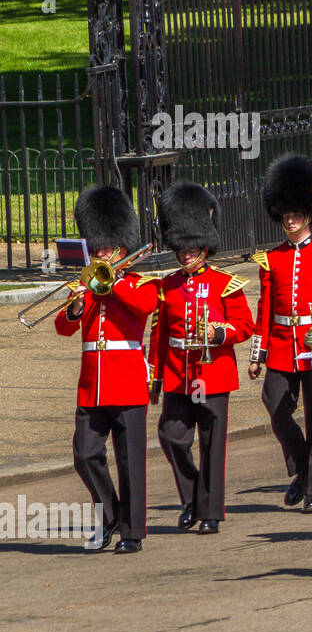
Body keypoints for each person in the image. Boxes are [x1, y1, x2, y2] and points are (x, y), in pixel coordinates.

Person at [54, 186, 160, 554]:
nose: (101, 254)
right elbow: (63, 327)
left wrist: (112, 283)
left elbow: (144, 308)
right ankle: (111, 511)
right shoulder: (85, 286)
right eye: (97, 248)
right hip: (91, 385)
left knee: (130, 462)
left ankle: (132, 532)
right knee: (84, 454)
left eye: (108, 249)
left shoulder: (139, 283)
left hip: (127, 382)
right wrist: (75, 306)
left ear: (123, 248)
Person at [249, 154, 312, 516]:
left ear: (309, 214)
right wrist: (256, 352)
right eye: (285, 215)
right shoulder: (271, 259)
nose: (289, 220)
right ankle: (302, 466)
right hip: (280, 344)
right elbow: (264, 310)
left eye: (295, 214)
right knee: (275, 405)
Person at [151, 182, 255, 535]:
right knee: (171, 436)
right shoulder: (167, 286)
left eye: (192, 247)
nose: (186, 254)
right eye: (181, 248)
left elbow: (245, 326)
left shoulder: (226, 283)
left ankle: (209, 511)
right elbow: (159, 332)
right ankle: (193, 496)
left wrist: (217, 333)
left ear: (205, 247)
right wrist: (156, 376)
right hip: (179, 373)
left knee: (212, 446)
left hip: (213, 373)